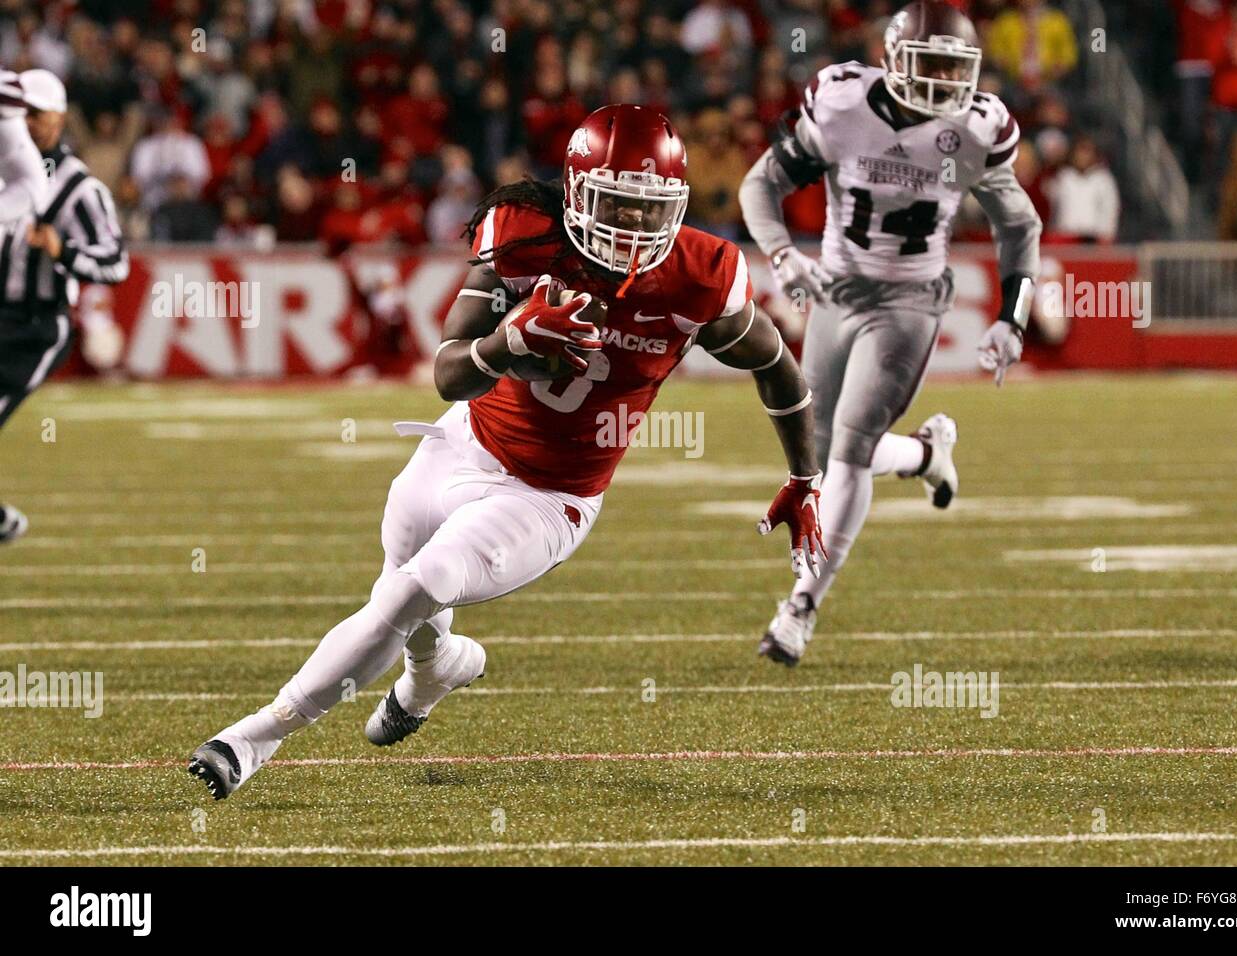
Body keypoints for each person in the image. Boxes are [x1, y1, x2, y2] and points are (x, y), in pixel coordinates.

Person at [188, 105, 827, 800]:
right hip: (458, 446)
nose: (632, 227)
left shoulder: (699, 277)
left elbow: (779, 369)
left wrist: (804, 477)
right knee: (400, 594)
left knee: (413, 589)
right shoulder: (526, 238)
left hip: (549, 497)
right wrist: (509, 344)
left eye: (650, 210)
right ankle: (437, 670)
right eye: (615, 204)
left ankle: (252, 739)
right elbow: (447, 372)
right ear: (578, 192)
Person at [738, 0, 1042, 665]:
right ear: (891, 59)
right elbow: (761, 184)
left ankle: (800, 607)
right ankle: (925, 456)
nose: (939, 82)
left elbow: (1018, 225)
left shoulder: (974, 129)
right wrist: (784, 254)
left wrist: (1012, 319)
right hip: (838, 292)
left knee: (847, 449)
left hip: (909, 298)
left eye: (952, 68)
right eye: (926, 63)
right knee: (817, 452)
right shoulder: (843, 104)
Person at [0, 69, 128, 544]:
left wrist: (62, 251)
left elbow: (116, 263)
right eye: (17, 113)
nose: (24, 123)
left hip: (35, 326)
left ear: (57, 118)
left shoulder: (79, 188)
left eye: (34, 114)